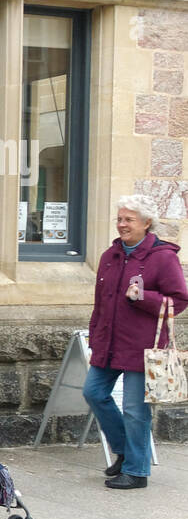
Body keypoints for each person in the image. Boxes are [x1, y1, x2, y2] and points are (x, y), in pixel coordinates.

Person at [83, 195, 188, 490]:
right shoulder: (110, 255)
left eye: (128, 219)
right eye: (119, 219)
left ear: (146, 223)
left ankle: (137, 471)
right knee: (93, 392)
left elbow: (179, 301)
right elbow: (100, 303)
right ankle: (125, 451)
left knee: (134, 408)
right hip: (108, 341)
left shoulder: (162, 257)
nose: (121, 224)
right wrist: (95, 334)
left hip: (143, 346)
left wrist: (144, 298)